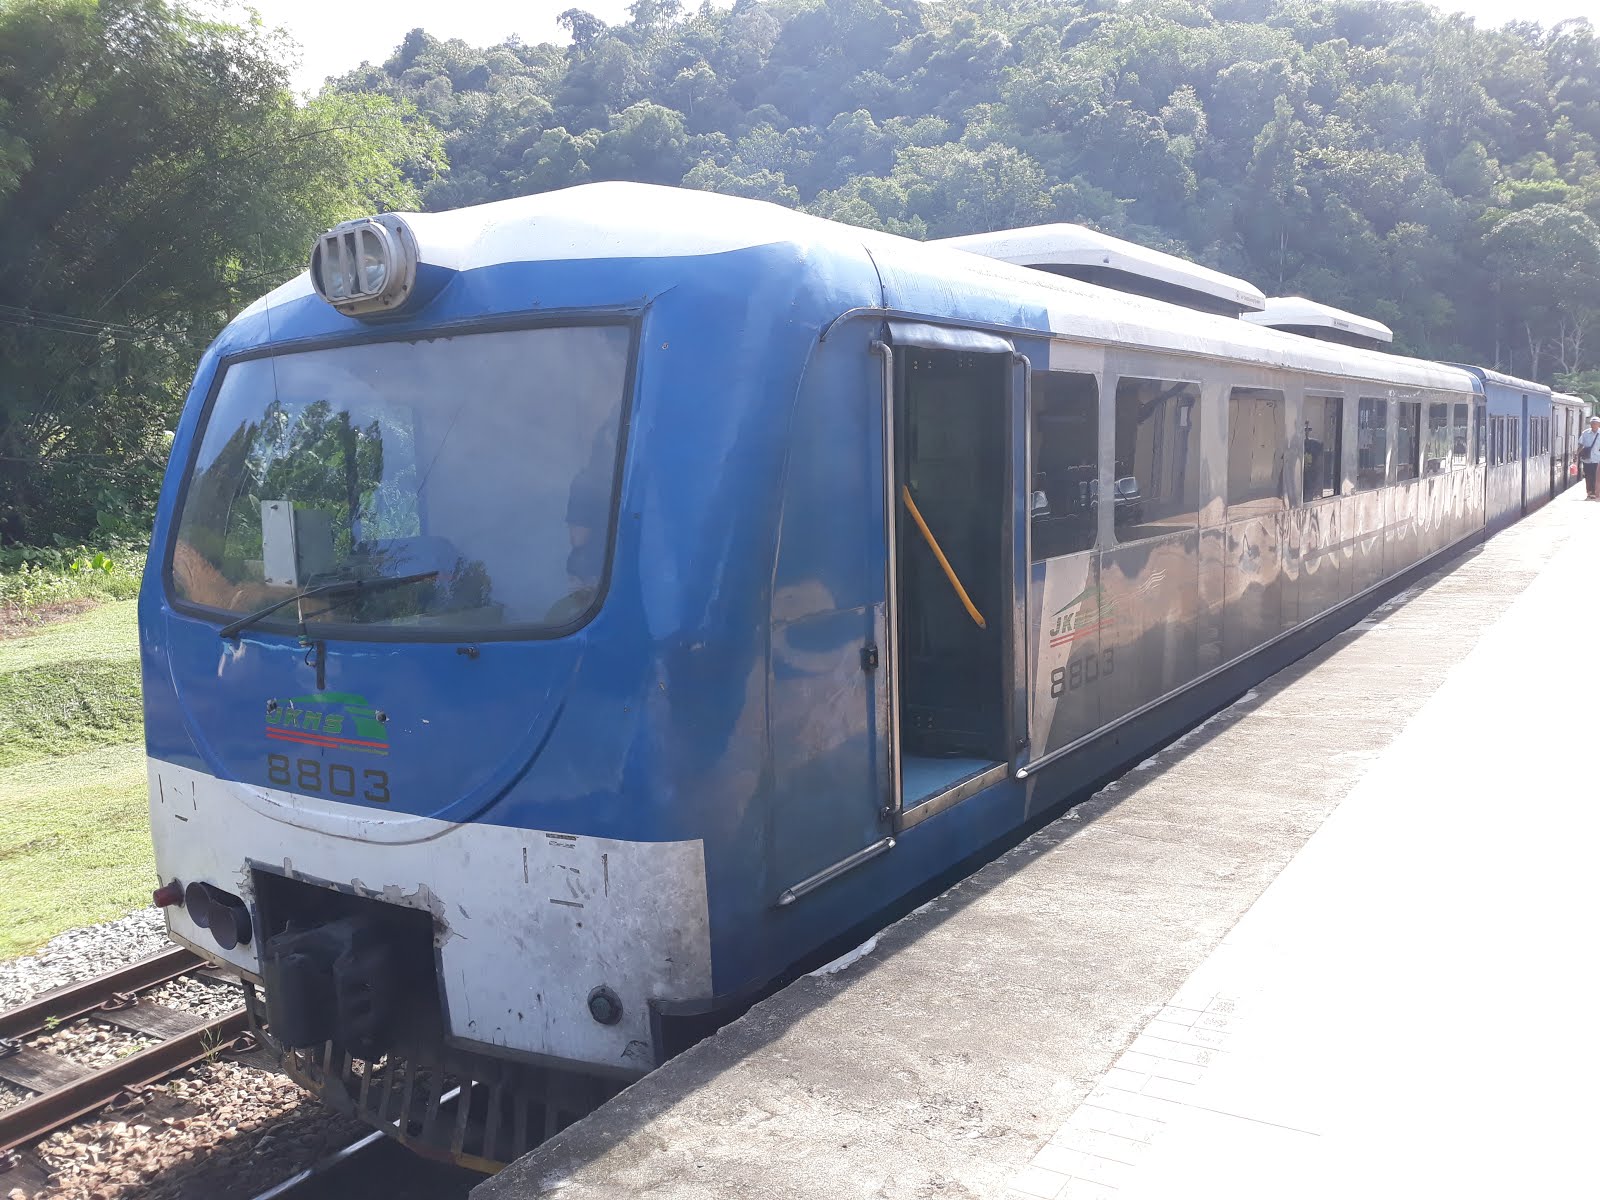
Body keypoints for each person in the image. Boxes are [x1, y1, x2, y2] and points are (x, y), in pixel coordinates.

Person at [1581, 415, 1600, 500]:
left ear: (1599, 424)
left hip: (1597, 459)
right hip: (1587, 459)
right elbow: (1581, 444)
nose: (1594, 425)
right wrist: (1576, 455)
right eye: (1592, 423)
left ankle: (1595, 493)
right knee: (1588, 476)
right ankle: (1589, 492)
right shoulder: (1585, 433)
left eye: (1596, 423)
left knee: (1596, 476)